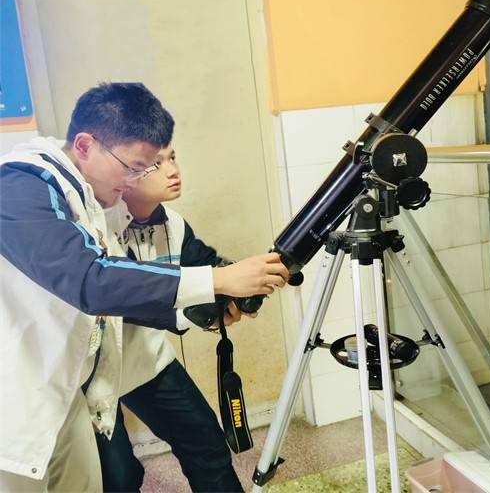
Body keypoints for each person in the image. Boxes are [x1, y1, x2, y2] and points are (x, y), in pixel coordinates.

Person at [0, 82, 288, 492]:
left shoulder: (91, 199)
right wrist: (218, 279)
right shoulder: (21, 184)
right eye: (135, 167)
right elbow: (93, 281)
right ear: (85, 145)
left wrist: (214, 302)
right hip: (22, 397)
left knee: (186, 447)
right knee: (118, 475)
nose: (137, 179)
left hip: (69, 385)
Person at [97, 143, 246, 491]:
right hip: (90, 370)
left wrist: (236, 293)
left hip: (145, 360)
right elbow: (133, 303)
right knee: (118, 475)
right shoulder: (97, 227)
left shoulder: (174, 224)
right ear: (124, 174)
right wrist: (196, 313)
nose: (173, 170)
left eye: (173, 158)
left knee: (207, 444)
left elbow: (208, 268)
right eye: (156, 163)